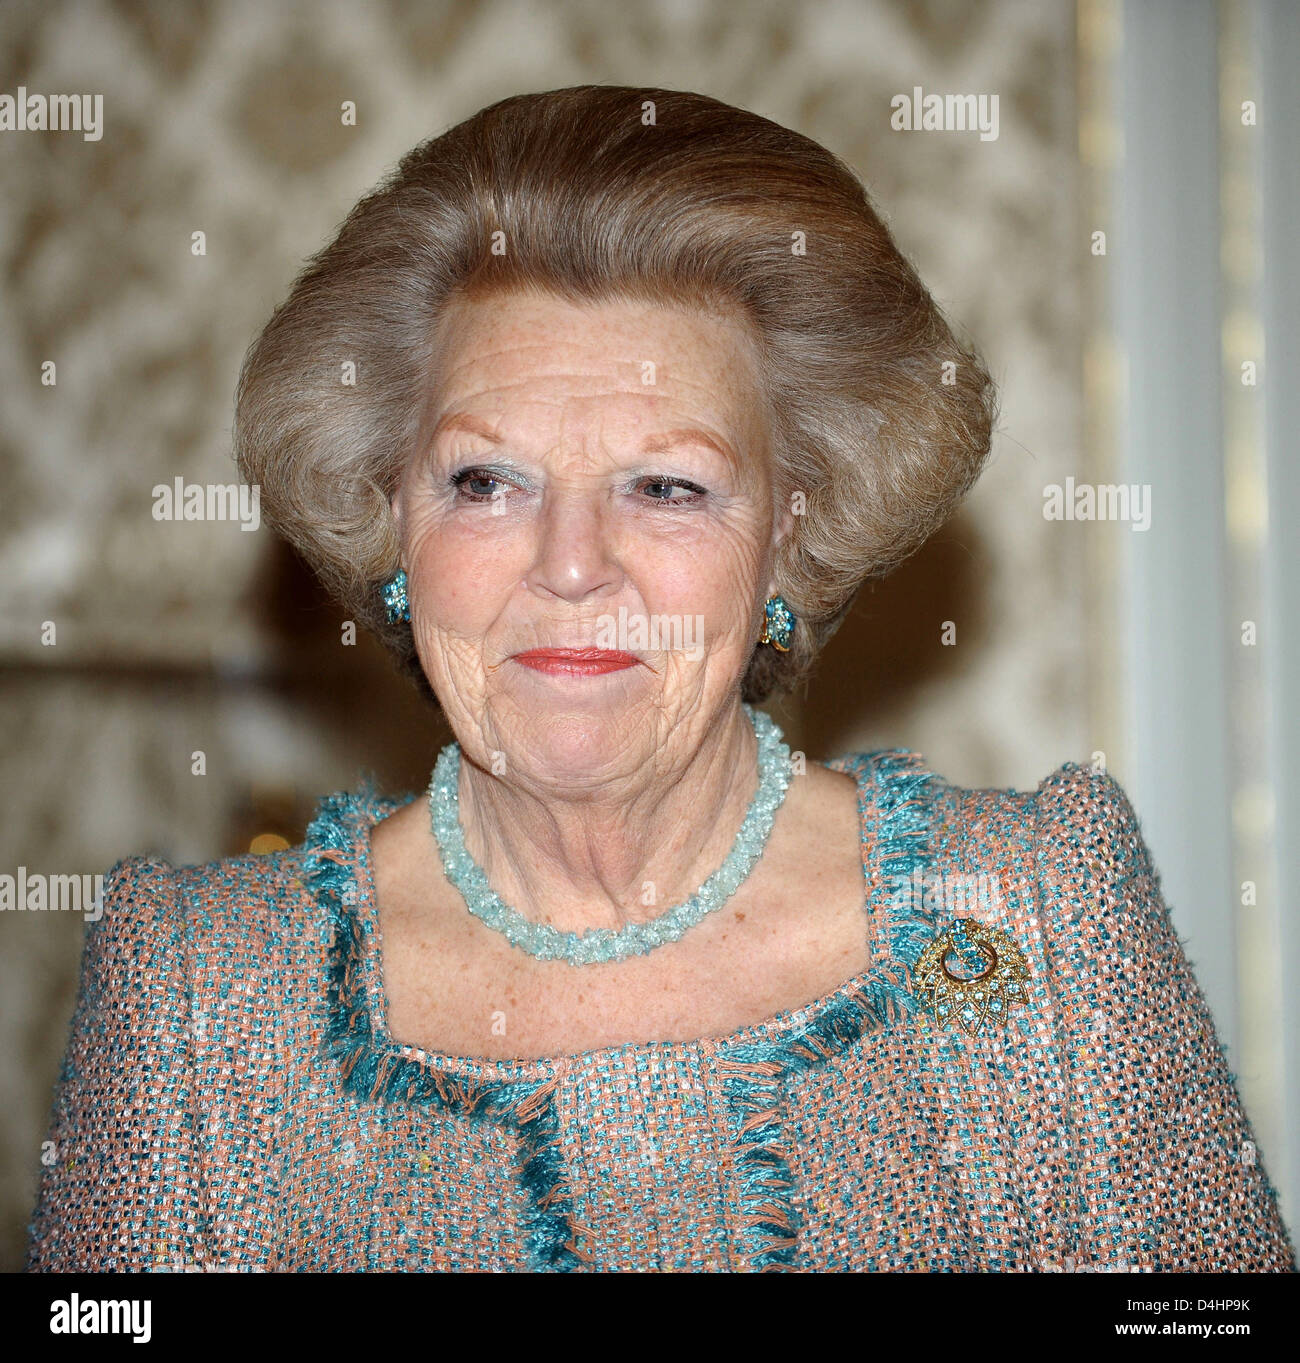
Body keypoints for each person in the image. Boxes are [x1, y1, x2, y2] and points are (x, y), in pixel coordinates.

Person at [27, 85, 1294, 1272]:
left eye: (668, 486)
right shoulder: (200, 993)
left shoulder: (1031, 915)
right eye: (486, 481)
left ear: (789, 537)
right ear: (389, 521)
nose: (570, 566)